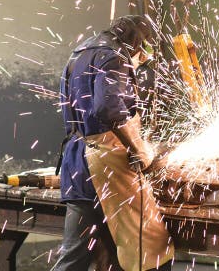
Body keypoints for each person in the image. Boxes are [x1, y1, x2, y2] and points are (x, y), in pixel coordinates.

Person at [53, 15, 173, 271]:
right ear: (138, 43)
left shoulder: (82, 51)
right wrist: (137, 148)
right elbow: (109, 110)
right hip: (107, 167)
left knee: (76, 257)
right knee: (150, 248)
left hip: (77, 165)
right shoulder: (115, 57)